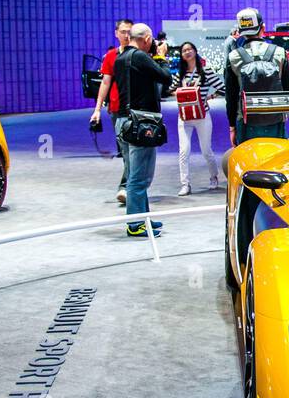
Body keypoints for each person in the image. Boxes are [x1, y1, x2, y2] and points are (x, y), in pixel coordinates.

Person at [111, 23, 171, 238]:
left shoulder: (119, 58)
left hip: (123, 121)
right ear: (146, 38)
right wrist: (161, 57)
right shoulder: (140, 57)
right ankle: (135, 224)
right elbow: (166, 78)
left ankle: (142, 217)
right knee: (140, 177)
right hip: (141, 123)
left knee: (134, 174)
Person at [225, 7, 289, 145]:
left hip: (245, 122)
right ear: (263, 27)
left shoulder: (233, 57)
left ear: (240, 31)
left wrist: (232, 127)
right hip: (276, 120)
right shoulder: (280, 52)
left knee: (248, 162)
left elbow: (230, 96)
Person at [169, 41, 223, 195]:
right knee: (183, 151)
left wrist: (210, 96)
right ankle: (185, 184)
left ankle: (214, 177)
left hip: (202, 115)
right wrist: (182, 94)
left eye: (190, 49)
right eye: (184, 50)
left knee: (206, 150)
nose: (187, 52)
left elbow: (223, 87)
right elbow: (169, 90)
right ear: (181, 55)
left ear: (195, 51)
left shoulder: (205, 71)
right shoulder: (180, 73)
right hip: (184, 116)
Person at [90, 19, 134, 204]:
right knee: (126, 151)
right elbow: (105, 82)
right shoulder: (110, 56)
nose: (126, 35)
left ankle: (129, 187)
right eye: (123, 31)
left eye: (129, 31)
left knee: (134, 151)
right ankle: (128, 187)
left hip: (137, 109)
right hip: (117, 109)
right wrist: (97, 109)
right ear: (116, 33)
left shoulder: (138, 54)